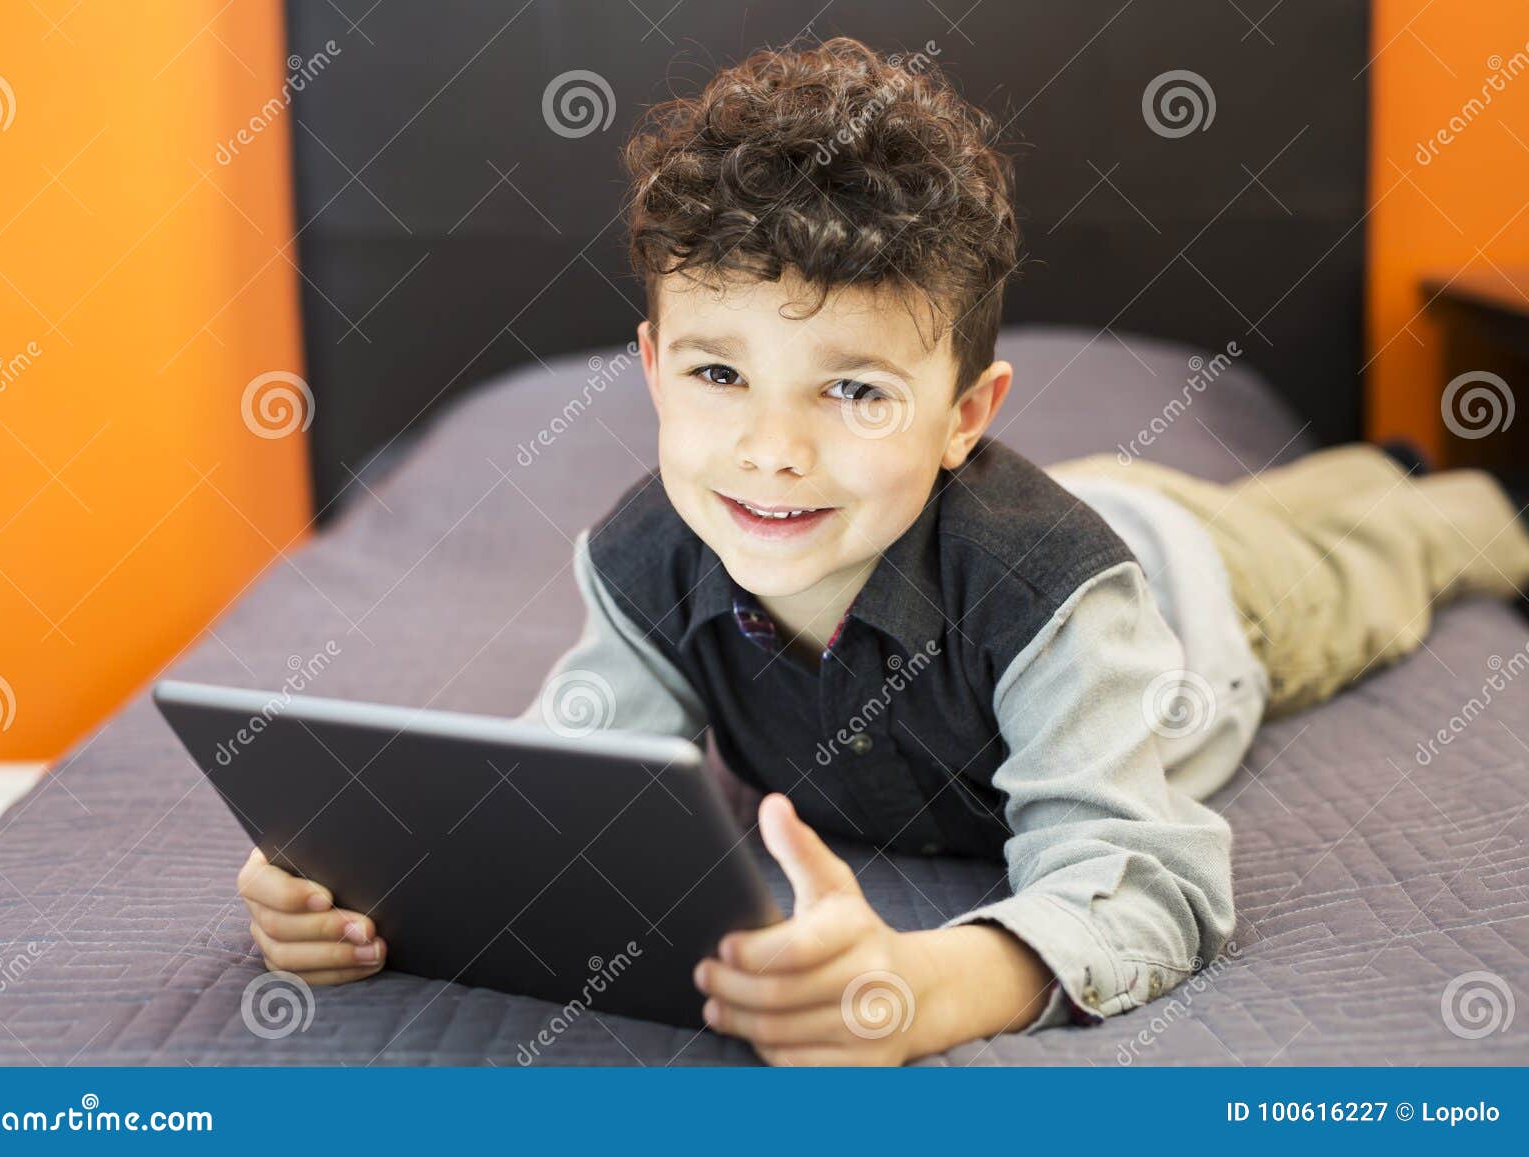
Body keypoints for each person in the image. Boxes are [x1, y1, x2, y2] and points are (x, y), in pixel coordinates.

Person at [236, 36, 1529, 1064]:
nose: (772, 451)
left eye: (853, 390)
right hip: (1024, 510)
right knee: (1258, 504)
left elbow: (1143, 882)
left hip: (1207, 586)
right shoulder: (648, 552)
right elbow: (573, 777)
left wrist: (918, 988)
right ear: (650, 369)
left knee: (1395, 548)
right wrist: (358, 884)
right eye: (720, 373)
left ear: (967, 414)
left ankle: (1447, 495)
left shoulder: (1059, 603)